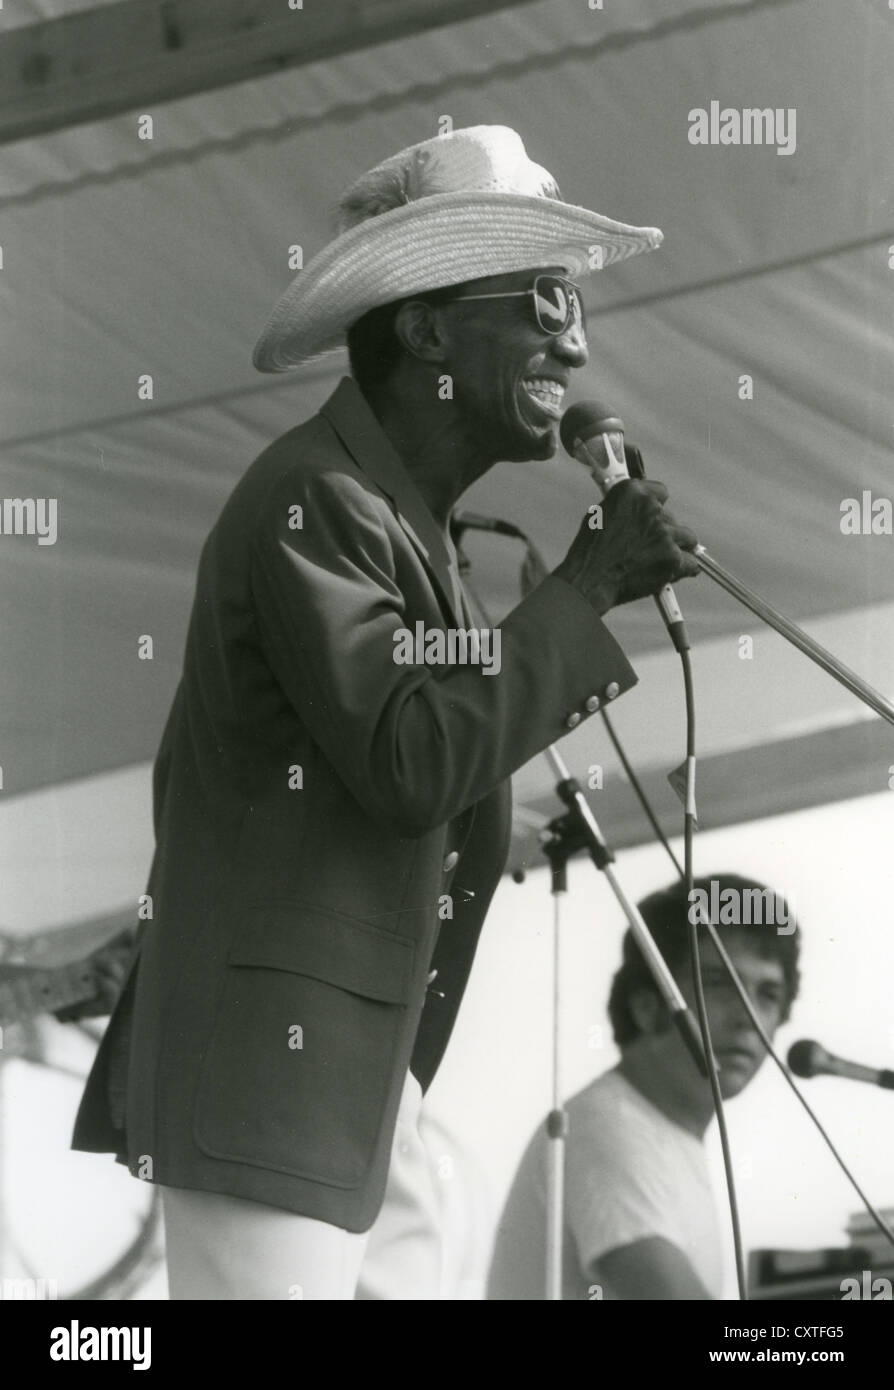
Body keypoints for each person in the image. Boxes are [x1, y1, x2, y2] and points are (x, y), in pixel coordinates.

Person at [70, 124, 700, 1299]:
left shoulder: (409, 526)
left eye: (573, 301)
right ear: (427, 331)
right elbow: (409, 759)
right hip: (274, 1080)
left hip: (362, 1084)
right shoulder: (316, 500)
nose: (576, 338)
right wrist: (587, 585)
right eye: (545, 298)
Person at [487, 873, 801, 1300]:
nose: (748, 1017)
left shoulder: (654, 1127)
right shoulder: (607, 1126)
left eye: (768, 994)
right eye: (718, 984)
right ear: (647, 1006)